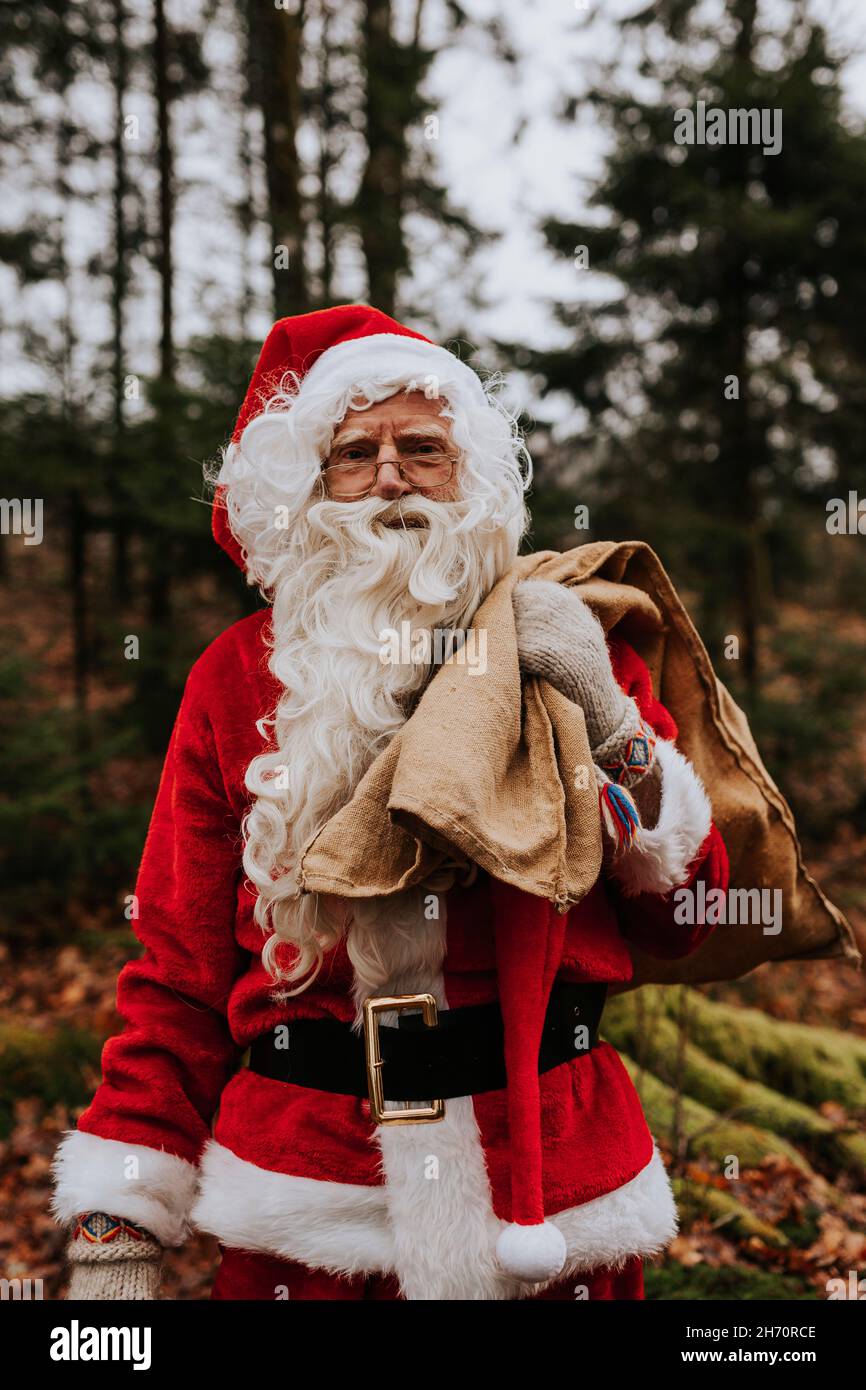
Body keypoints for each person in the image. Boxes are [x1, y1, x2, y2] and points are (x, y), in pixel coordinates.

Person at [52, 305, 728, 1301]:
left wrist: (604, 709)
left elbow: (688, 919)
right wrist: (118, 1234)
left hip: (550, 1196)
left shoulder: (571, 641)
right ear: (306, 488)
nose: (390, 474)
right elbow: (178, 972)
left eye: (422, 447)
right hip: (313, 1206)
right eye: (353, 453)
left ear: (474, 480)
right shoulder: (234, 681)